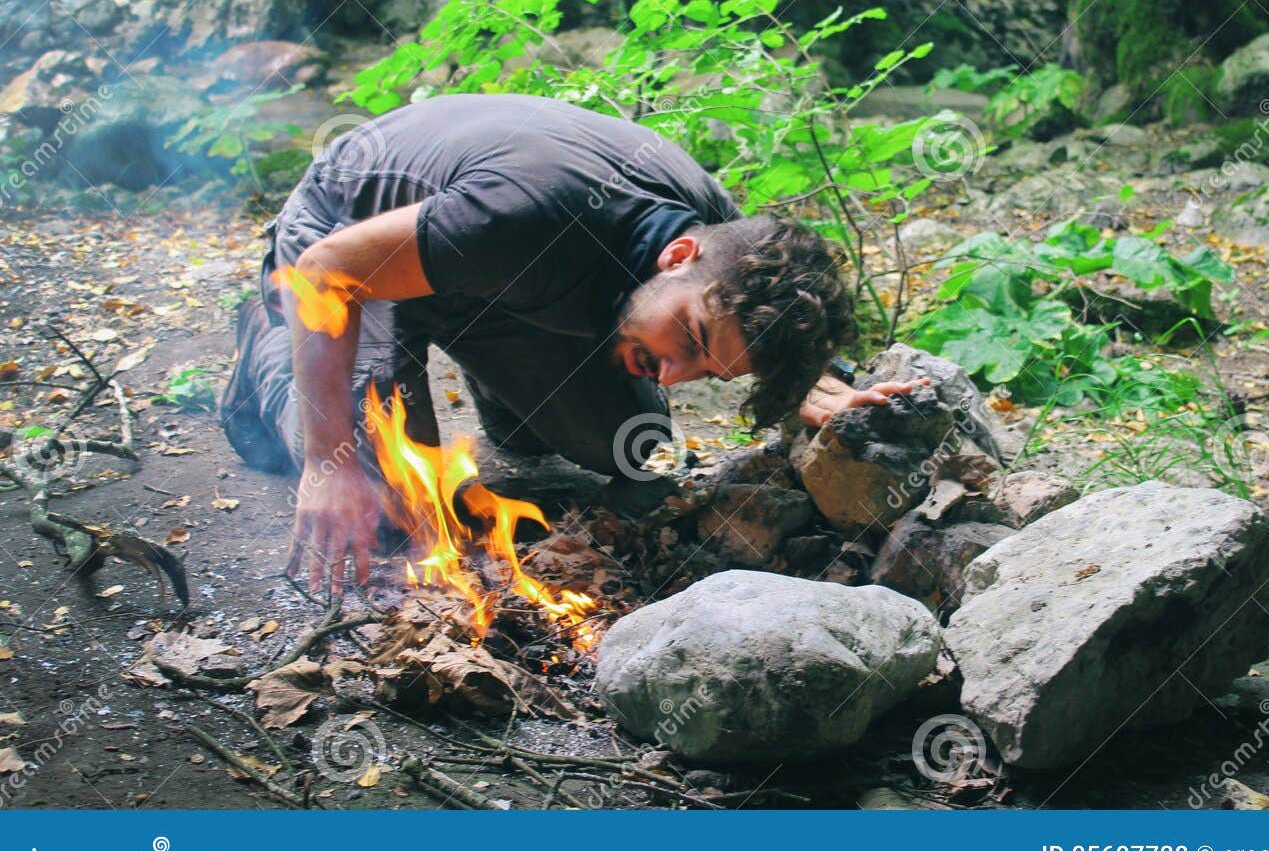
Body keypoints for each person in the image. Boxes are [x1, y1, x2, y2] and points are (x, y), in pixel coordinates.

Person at [222, 93, 921, 595]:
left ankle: (505, 390)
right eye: (690, 337)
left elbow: (766, 297)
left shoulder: (721, 246)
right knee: (382, 503)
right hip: (351, 247)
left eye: (709, 369)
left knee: (632, 442)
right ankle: (267, 349)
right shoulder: (522, 213)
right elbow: (326, 273)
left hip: (487, 278)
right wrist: (325, 459)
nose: (675, 374)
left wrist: (807, 381)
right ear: (677, 255)